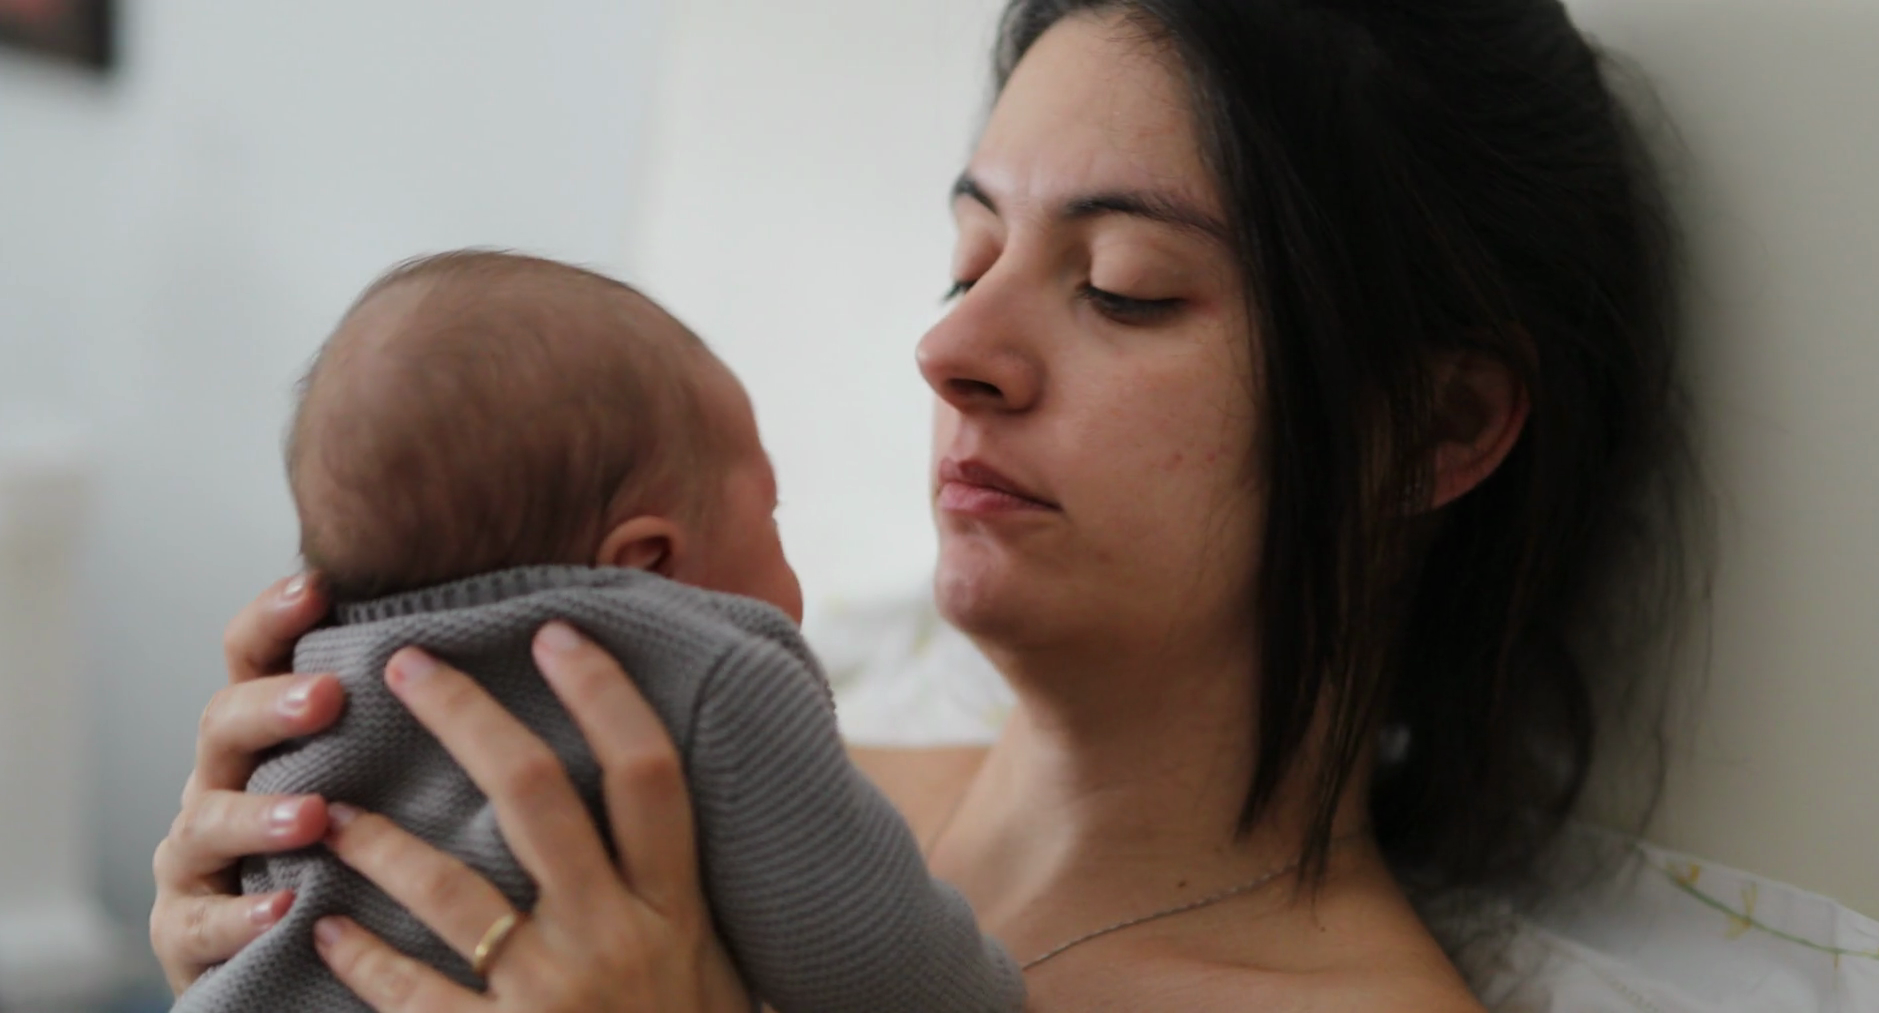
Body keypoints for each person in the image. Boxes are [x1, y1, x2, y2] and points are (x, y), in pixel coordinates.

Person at [150, 1, 1686, 1010]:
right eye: (969, 258)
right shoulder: (659, 793)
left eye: (1124, 288)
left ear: (1438, 425)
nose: (949, 350)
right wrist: (266, 931)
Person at [170, 250, 1024, 1013]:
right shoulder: (720, 683)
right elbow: (884, 961)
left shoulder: (313, 686)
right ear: (649, 566)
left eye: (1100, 288)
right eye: (772, 513)